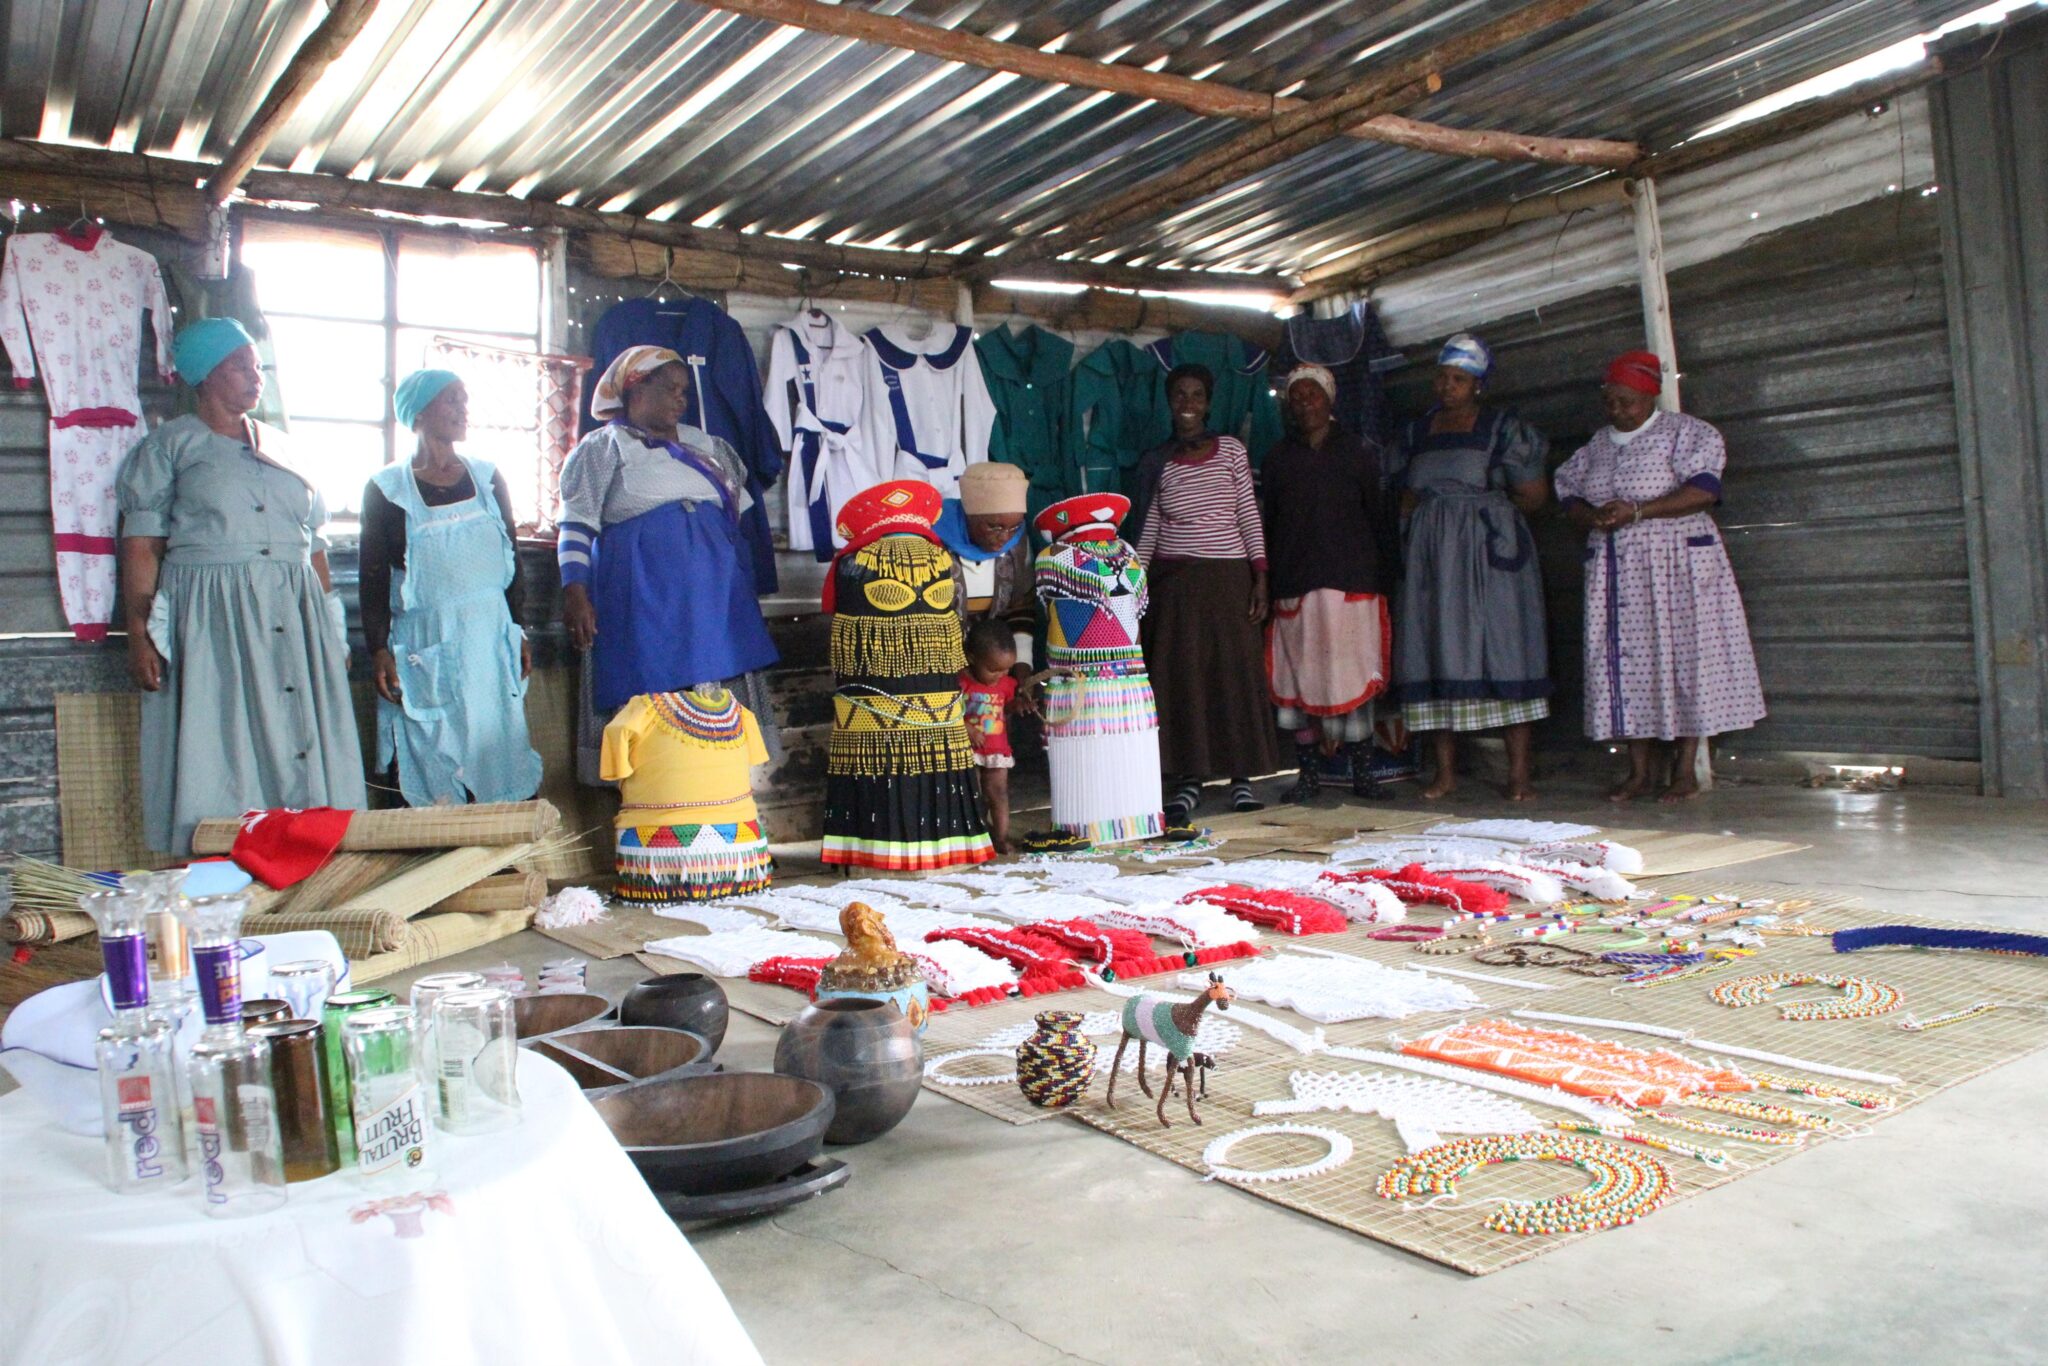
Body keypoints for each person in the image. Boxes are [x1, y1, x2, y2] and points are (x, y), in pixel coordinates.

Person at [115, 318, 366, 853]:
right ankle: (224, 867)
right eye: (239, 366)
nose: (255, 376)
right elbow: (142, 546)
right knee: (223, 731)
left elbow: (313, 544)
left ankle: (306, 857)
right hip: (214, 616)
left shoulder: (285, 448)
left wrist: (329, 626)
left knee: (301, 729)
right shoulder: (169, 448)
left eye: (257, 365)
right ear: (204, 376)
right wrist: (140, 634)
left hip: (294, 611)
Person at [557, 346, 779, 779]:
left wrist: (747, 588)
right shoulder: (603, 448)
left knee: (721, 694)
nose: (681, 399)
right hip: (644, 598)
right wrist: (575, 591)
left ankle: (721, 798)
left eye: (684, 391)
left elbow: (744, 521)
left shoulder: (709, 446)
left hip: (716, 596)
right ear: (636, 389)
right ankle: (658, 792)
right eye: (670, 389)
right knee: (652, 695)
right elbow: (577, 523)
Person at [1556, 350, 1767, 801]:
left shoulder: (1687, 434)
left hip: (1678, 566)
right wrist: (1588, 516)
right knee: (1625, 662)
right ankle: (1638, 772)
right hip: (1617, 569)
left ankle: (1684, 770)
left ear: (1650, 397)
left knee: (1685, 657)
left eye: (1627, 402)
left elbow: (1705, 491)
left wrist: (1638, 511)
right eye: (1610, 401)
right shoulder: (1596, 445)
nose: (1617, 411)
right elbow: (1567, 490)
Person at [359, 369, 542, 807]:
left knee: (498, 746)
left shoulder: (487, 478)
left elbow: (512, 560)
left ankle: (503, 860)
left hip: (489, 641)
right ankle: (439, 860)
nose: (463, 409)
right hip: (427, 643)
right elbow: (373, 578)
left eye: (464, 399)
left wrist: (519, 629)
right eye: (451, 400)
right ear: (419, 414)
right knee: (432, 746)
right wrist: (379, 650)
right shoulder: (387, 490)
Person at [1391, 333, 1552, 802]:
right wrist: (1415, 534)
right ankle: (1445, 774)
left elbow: (1534, 496)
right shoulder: (1417, 432)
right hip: (1432, 556)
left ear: (1478, 384)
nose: (1447, 387)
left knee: (1504, 649)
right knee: (1435, 647)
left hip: (1488, 554)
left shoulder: (1505, 429)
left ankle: (1518, 776)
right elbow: (1404, 492)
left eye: (1458, 379)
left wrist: (1482, 516)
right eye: (1441, 377)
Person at [1131, 363, 1281, 820]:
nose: (1189, 404)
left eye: (1197, 395)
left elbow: (1247, 515)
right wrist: (1131, 584)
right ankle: (1188, 779)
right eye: (1180, 395)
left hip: (1229, 581)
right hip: (1177, 588)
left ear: (1209, 402)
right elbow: (1151, 527)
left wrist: (1260, 576)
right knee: (1183, 682)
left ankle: (1241, 779)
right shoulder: (1158, 461)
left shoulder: (1232, 451)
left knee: (1233, 677)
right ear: (1169, 401)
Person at [820, 480, 994, 870]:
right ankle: (946, 854)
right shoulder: (941, 557)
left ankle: (875, 857)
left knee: (878, 763)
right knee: (936, 764)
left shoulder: (854, 561)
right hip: (937, 695)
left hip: (871, 692)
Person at [1260, 364, 1398, 803]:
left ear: (1329, 399)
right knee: (1300, 681)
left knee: (1352, 675)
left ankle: (1363, 775)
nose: (1304, 403)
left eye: (1311, 395)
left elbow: (1377, 516)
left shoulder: (1357, 451)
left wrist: (1383, 577)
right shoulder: (1278, 458)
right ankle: (1309, 777)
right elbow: (1270, 523)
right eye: (1295, 397)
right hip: (1296, 581)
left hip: (1351, 581)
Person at [1035, 492, 1165, 845]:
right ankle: (1136, 824)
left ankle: (1087, 828)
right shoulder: (1130, 555)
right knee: (1125, 752)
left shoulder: (1053, 557)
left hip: (1078, 682)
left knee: (1085, 760)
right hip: (1129, 679)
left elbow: (1047, 601)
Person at [601, 684, 774, 901]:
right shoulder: (740, 711)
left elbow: (615, 759)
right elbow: (754, 759)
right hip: (743, 851)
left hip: (655, 857)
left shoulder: (640, 710)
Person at [937, 459, 1037, 673]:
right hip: (941, 669)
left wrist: (1021, 670)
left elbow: (1021, 608)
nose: (1004, 537)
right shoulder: (933, 542)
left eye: (1014, 527)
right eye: (994, 526)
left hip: (994, 671)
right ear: (969, 516)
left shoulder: (1016, 546)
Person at [960, 619, 1023, 853]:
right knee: (973, 795)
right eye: (993, 669)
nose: (1000, 675)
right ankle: (977, 837)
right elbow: (949, 711)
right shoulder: (961, 682)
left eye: (1006, 669)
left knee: (999, 794)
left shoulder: (1007, 683)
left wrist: (1016, 706)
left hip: (997, 751)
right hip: (970, 752)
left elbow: (1004, 707)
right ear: (972, 658)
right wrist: (968, 728)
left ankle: (1001, 837)